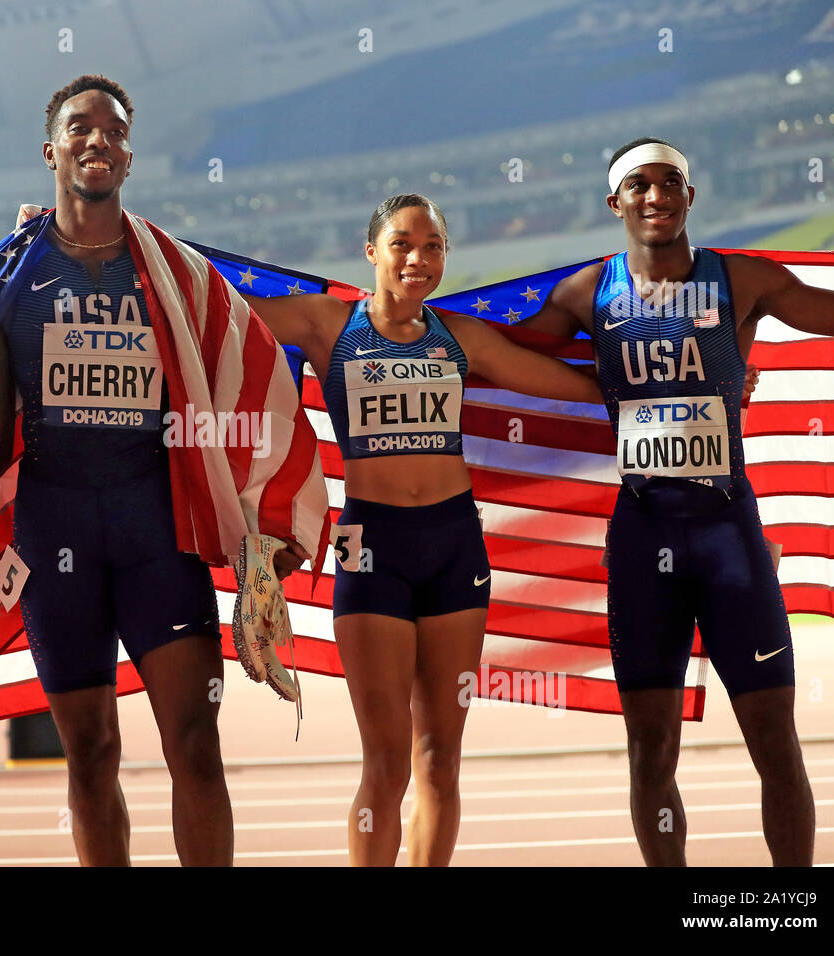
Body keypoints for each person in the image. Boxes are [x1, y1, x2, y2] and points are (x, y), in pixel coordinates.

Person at [0, 75, 326, 866]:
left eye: (114, 130)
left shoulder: (177, 275)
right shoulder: (4, 281)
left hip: (154, 532)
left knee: (195, 741)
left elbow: (248, 378)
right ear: (50, 150)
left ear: (128, 155)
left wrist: (271, 519)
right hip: (56, 533)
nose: (98, 139)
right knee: (89, 753)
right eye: (80, 127)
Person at [518, 138, 834, 866]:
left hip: (728, 534)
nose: (655, 195)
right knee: (650, 749)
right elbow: (493, 351)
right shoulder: (586, 293)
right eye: (638, 185)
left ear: (690, 195)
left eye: (669, 181)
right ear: (614, 203)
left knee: (774, 738)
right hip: (644, 539)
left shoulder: (743, 280)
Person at [242, 193, 605, 866]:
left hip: (453, 545)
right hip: (371, 547)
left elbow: (566, 385)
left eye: (433, 245)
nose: (418, 257)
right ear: (371, 250)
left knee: (441, 759)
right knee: (385, 761)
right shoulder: (327, 324)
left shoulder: (460, 337)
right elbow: (213, 311)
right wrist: (89, 247)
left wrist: (673, 389)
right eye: (403, 243)